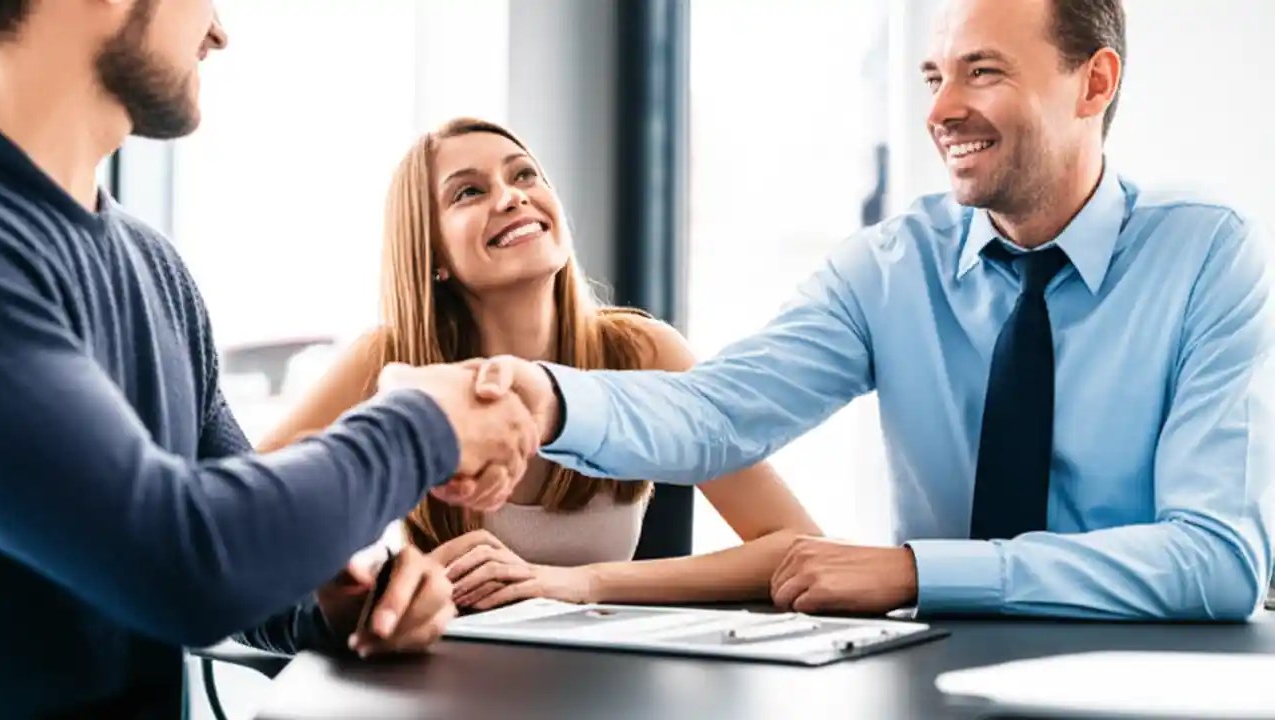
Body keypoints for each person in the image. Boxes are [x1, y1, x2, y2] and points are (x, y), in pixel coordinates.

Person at [476, 0, 1275, 621]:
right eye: (935, 77)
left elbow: (1218, 559)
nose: (941, 111)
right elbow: (715, 415)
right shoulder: (889, 268)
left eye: (983, 72)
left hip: (1142, 679)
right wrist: (547, 399)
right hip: (938, 673)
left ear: (1094, 83)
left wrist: (917, 570)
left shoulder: (1206, 254)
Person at [0, 2, 535, 716]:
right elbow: (185, 564)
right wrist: (427, 424)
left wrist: (338, 606)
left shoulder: (155, 267)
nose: (218, 31)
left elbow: (237, 562)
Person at [260, 117, 821, 611]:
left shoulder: (643, 351)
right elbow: (247, 518)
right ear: (431, 256)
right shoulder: (388, 360)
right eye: (469, 192)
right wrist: (389, 577)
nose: (511, 197)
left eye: (524, 175)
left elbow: (798, 545)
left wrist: (574, 582)